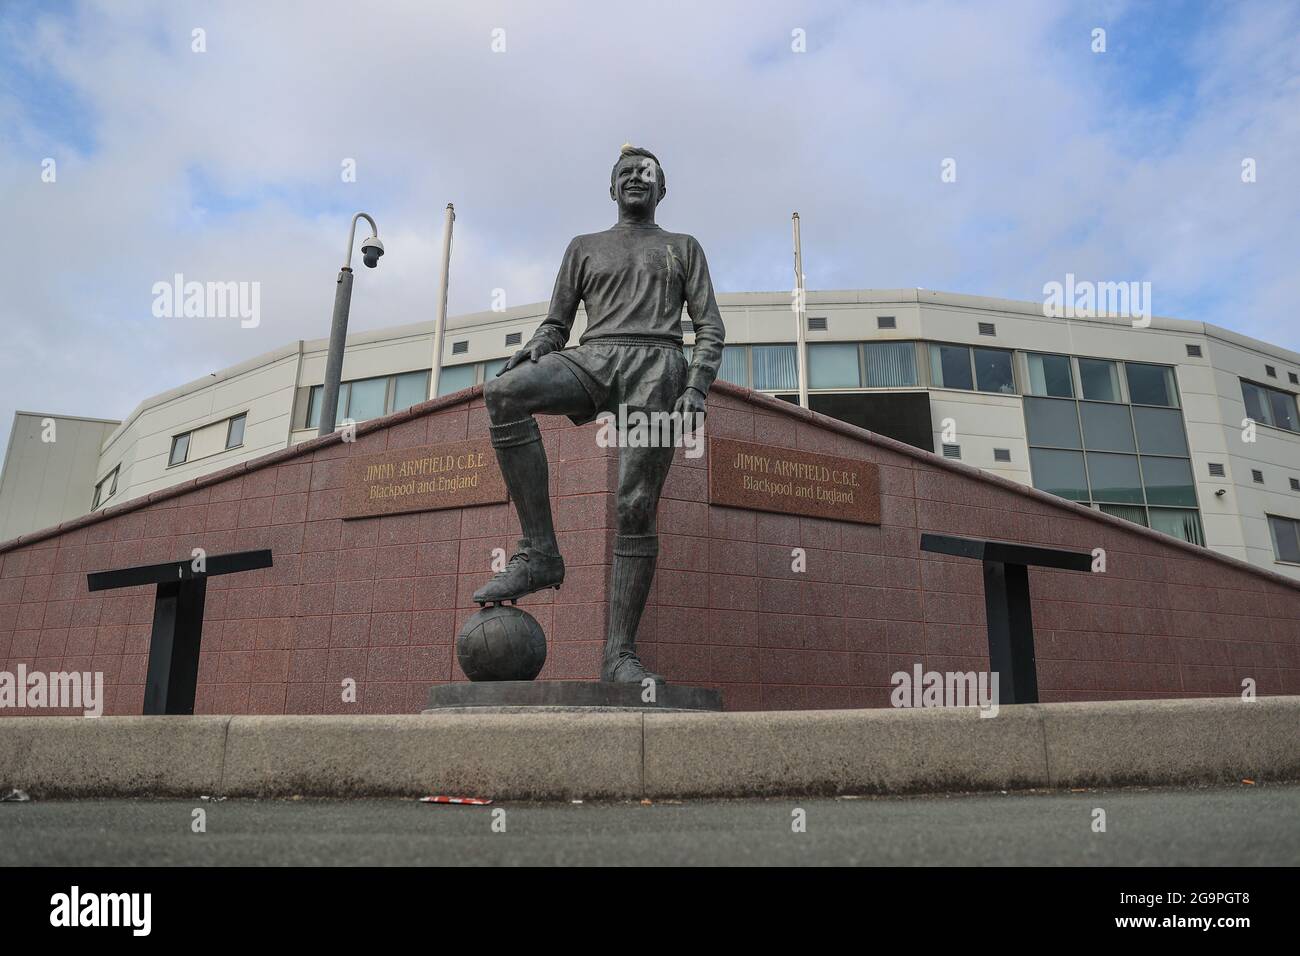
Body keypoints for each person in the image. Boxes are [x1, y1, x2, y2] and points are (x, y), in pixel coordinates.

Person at [474, 145, 725, 683]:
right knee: (504, 395)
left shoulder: (684, 248)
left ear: (662, 190)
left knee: (635, 505)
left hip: (657, 367)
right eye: (626, 174)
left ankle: (619, 656)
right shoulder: (583, 247)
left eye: (647, 174)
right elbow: (557, 321)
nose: (637, 178)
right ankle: (539, 551)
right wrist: (539, 345)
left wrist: (697, 388)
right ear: (612, 189)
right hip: (595, 356)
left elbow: (709, 326)